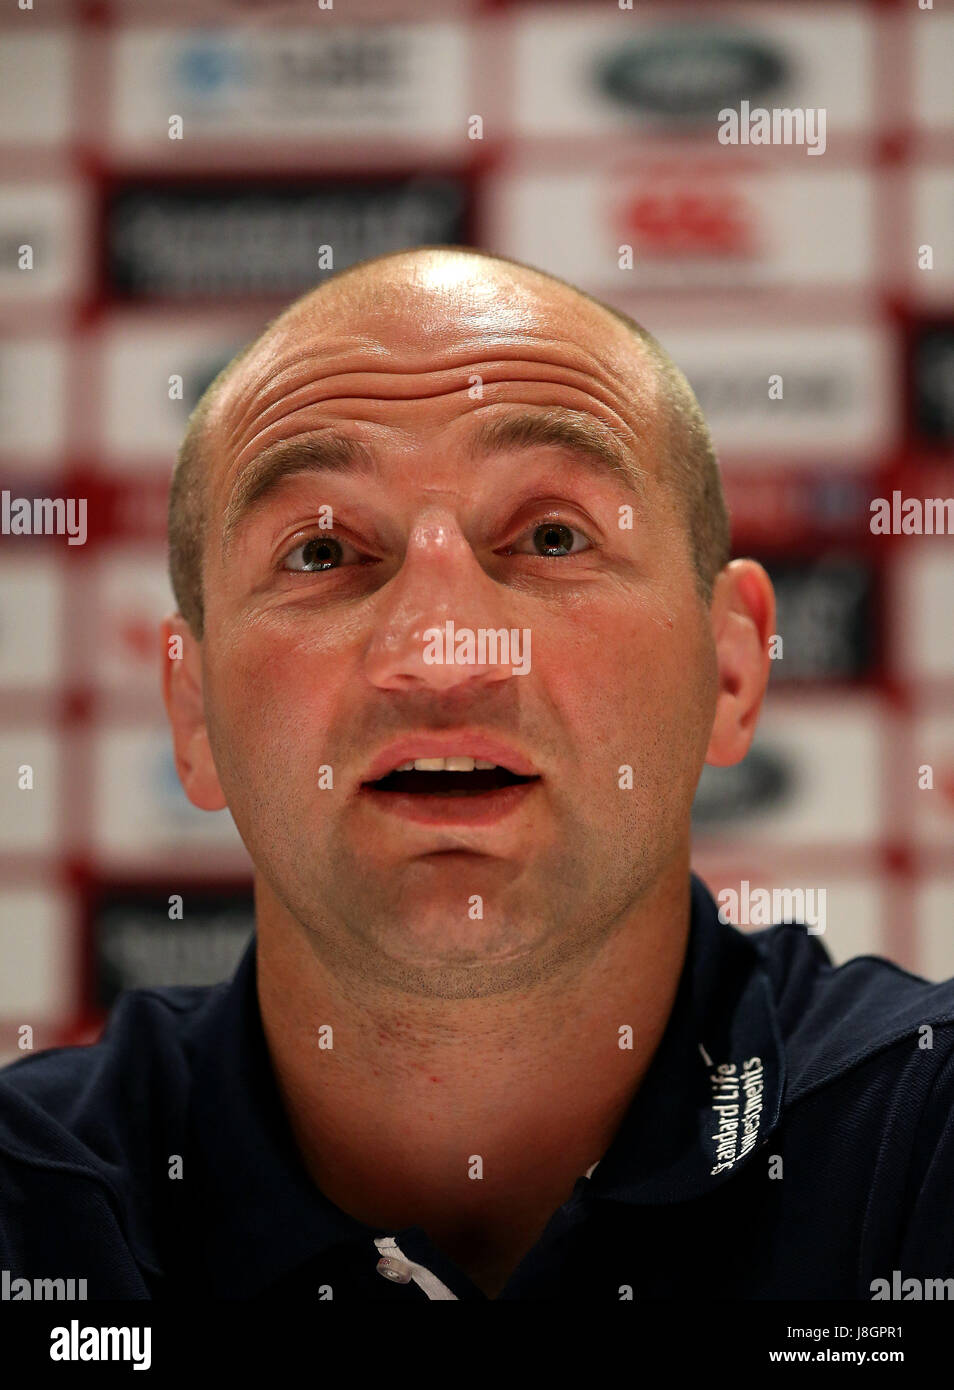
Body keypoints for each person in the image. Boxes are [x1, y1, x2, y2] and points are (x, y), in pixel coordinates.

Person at [1, 246, 952, 1301]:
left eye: (552, 536)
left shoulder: (924, 1144)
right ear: (193, 713)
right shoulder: (30, 1213)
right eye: (321, 553)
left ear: (732, 668)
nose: (444, 648)